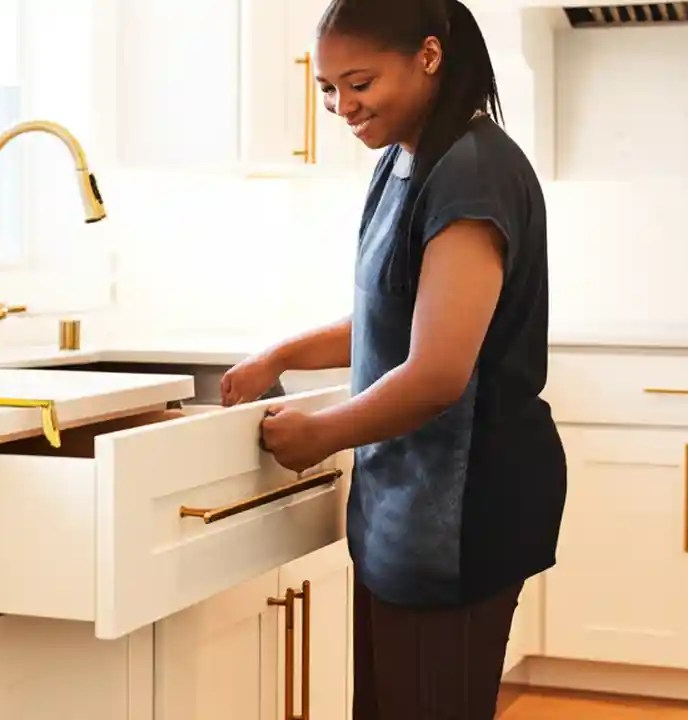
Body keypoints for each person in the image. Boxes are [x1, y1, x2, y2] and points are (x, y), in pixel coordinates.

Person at [220, 0, 567, 716]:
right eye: (328, 90)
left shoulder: (472, 172)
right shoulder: (404, 159)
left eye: (360, 83)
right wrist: (277, 355)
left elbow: (438, 371)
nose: (342, 106)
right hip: (405, 506)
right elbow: (390, 315)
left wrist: (320, 433)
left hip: (464, 510)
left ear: (429, 58)